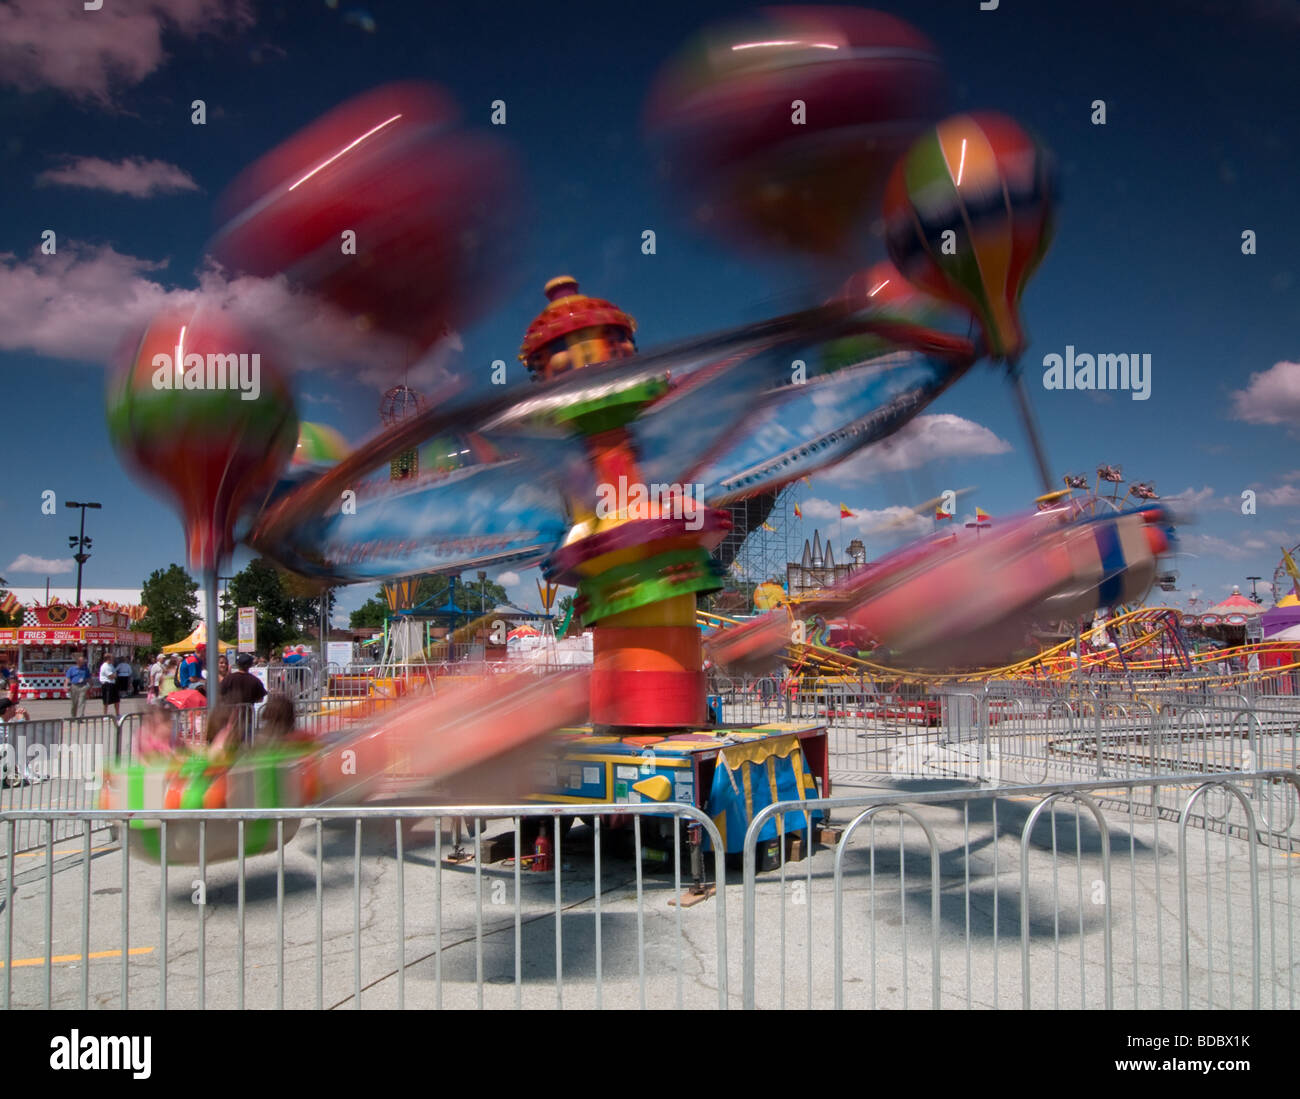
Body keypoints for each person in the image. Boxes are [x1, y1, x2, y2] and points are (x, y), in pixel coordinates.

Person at [66, 654, 91, 718]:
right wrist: (66, 685)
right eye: (81, 661)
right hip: (74, 686)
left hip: (83, 686)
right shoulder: (72, 669)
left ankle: (80, 716)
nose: (83, 663)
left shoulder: (85, 669)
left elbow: (88, 678)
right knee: (74, 703)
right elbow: (68, 678)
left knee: (82, 701)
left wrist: (91, 686)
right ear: (78, 662)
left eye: (83, 661)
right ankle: (73, 716)